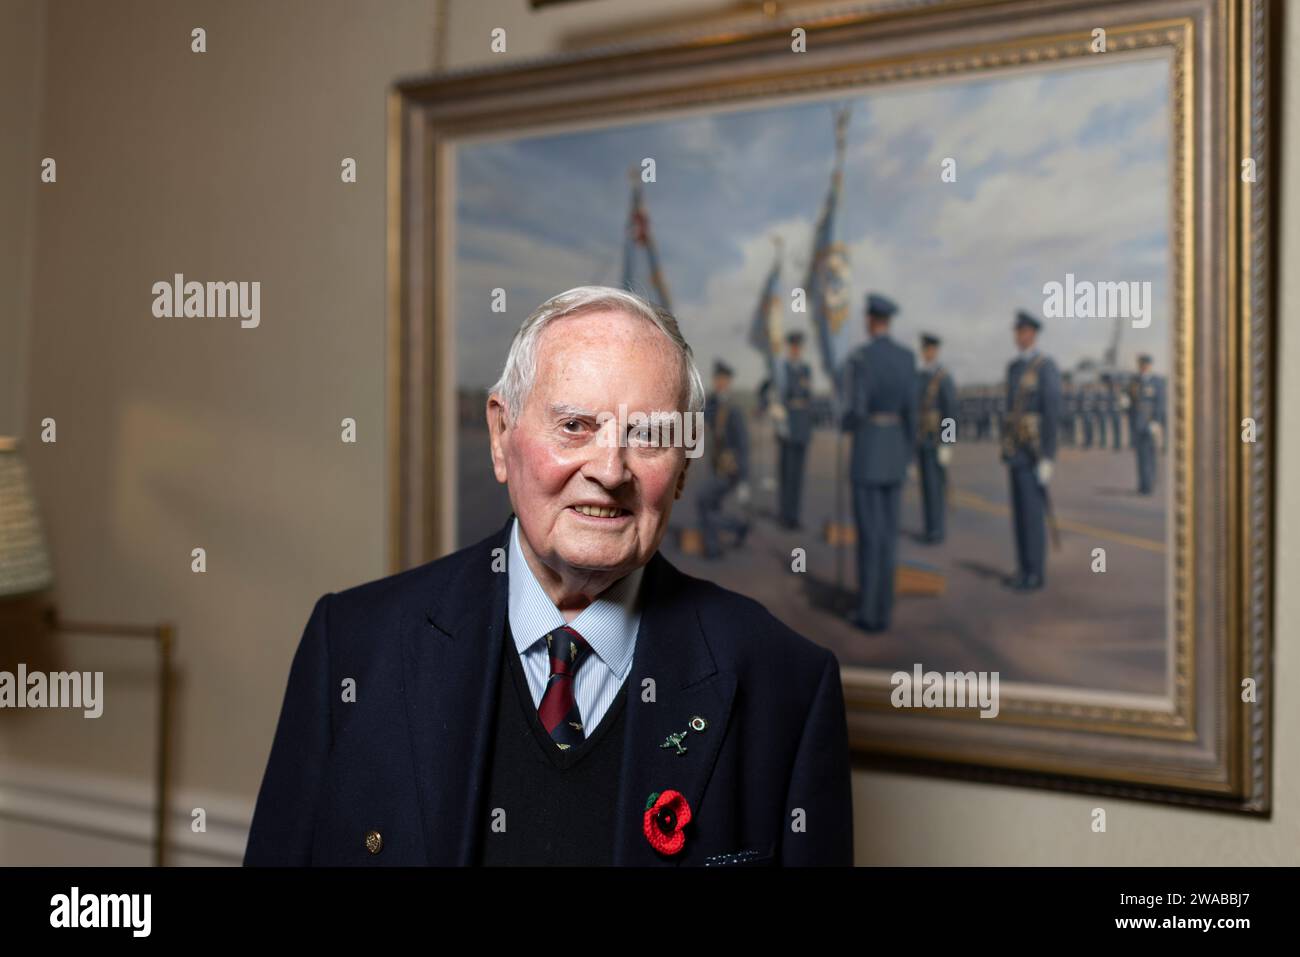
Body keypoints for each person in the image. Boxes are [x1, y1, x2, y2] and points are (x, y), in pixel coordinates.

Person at [244, 286, 852, 866]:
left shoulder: (786, 683)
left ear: (685, 466)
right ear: (501, 436)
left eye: (649, 436)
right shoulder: (352, 647)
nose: (610, 471)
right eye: (575, 426)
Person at [840, 292, 916, 632]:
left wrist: (846, 423)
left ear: (871, 321)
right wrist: (908, 454)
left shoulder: (861, 358)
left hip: (869, 451)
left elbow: (855, 409)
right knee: (888, 536)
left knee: (870, 536)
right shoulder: (906, 357)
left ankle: (870, 613)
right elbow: (912, 411)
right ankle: (884, 607)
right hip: (895, 451)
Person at [1000, 309, 1061, 592]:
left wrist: (1048, 456)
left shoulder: (1045, 366)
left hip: (1034, 451)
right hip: (1016, 450)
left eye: (1023, 332)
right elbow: (1009, 410)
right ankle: (1023, 567)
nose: (1018, 336)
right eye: (1016, 332)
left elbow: (1051, 412)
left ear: (1032, 334)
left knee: (1032, 514)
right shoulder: (1013, 368)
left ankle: (1035, 572)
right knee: (1019, 513)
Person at [698, 359, 751, 558]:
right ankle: (716, 546)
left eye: (723, 379)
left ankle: (735, 529)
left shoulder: (734, 409)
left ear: (728, 381)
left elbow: (743, 445)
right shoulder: (712, 402)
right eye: (717, 378)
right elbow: (699, 416)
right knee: (711, 506)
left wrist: (744, 481)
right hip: (715, 464)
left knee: (702, 501)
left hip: (730, 469)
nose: (719, 382)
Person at [915, 333, 956, 544]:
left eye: (930, 349)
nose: (927, 353)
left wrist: (947, 443)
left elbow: (950, 411)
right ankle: (929, 527)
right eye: (924, 350)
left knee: (935, 487)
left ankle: (937, 530)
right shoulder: (919, 376)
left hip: (936, 440)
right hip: (922, 439)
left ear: (936, 351)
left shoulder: (943, 377)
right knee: (925, 486)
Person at [772, 331, 813, 529]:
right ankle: (784, 515)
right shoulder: (783, 369)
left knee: (798, 475)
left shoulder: (806, 370)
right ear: (790, 348)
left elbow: (809, 398)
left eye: (799, 346)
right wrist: (779, 422)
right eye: (793, 346)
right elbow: (778, 398)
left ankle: (794, 516)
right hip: (787, 425)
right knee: (786, 474)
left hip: (802, 427)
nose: (796, 350)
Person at [1128, 353, 1166, 494]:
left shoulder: (1157, 382)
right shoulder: (1134, 381)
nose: (1143, 367)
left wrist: (1156, 421)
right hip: (1137, 423)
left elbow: (1160, 403)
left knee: (1150, 455)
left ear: (1149, 366)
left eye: (1145, 365)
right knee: (1140, 456)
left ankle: (1149, 485)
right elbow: (1130, 402)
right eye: (1141, 365)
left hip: (1150, 423)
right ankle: (1142, 484)